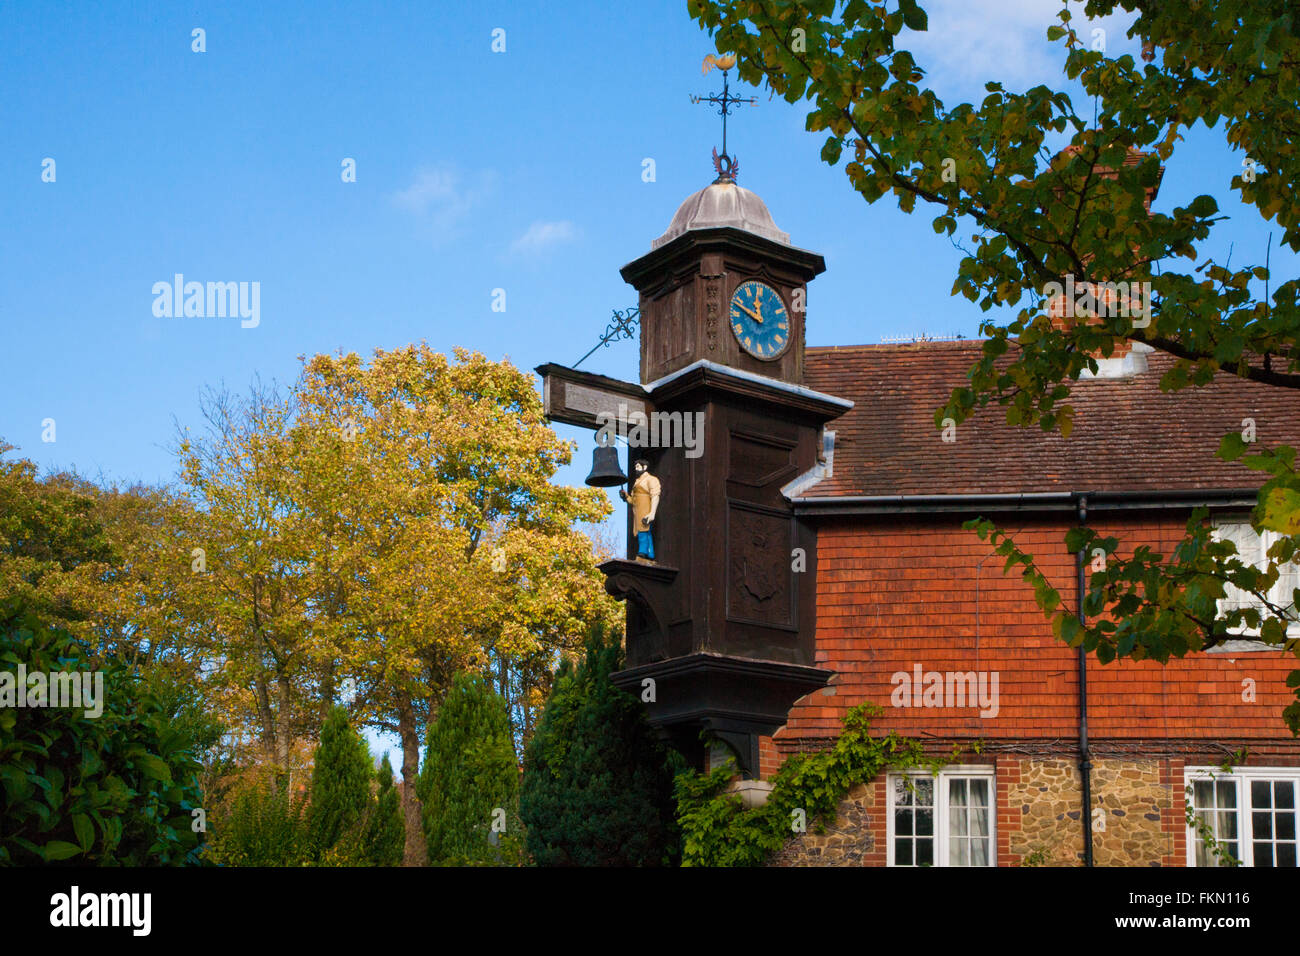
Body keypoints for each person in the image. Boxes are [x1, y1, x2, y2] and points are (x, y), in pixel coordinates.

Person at [619, 458, 660, 561]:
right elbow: (633, 500)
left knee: (643, 531)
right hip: (638, 510)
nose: (636, 469)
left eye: (638, 467)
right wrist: (626, 496)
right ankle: (650, 554)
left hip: (645, 508)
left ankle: (643, 552)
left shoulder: (651, 479)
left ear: (644, 467)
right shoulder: (637, 482)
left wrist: (652, 513)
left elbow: (655, 496)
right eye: (635, 467)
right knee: (646, 532)